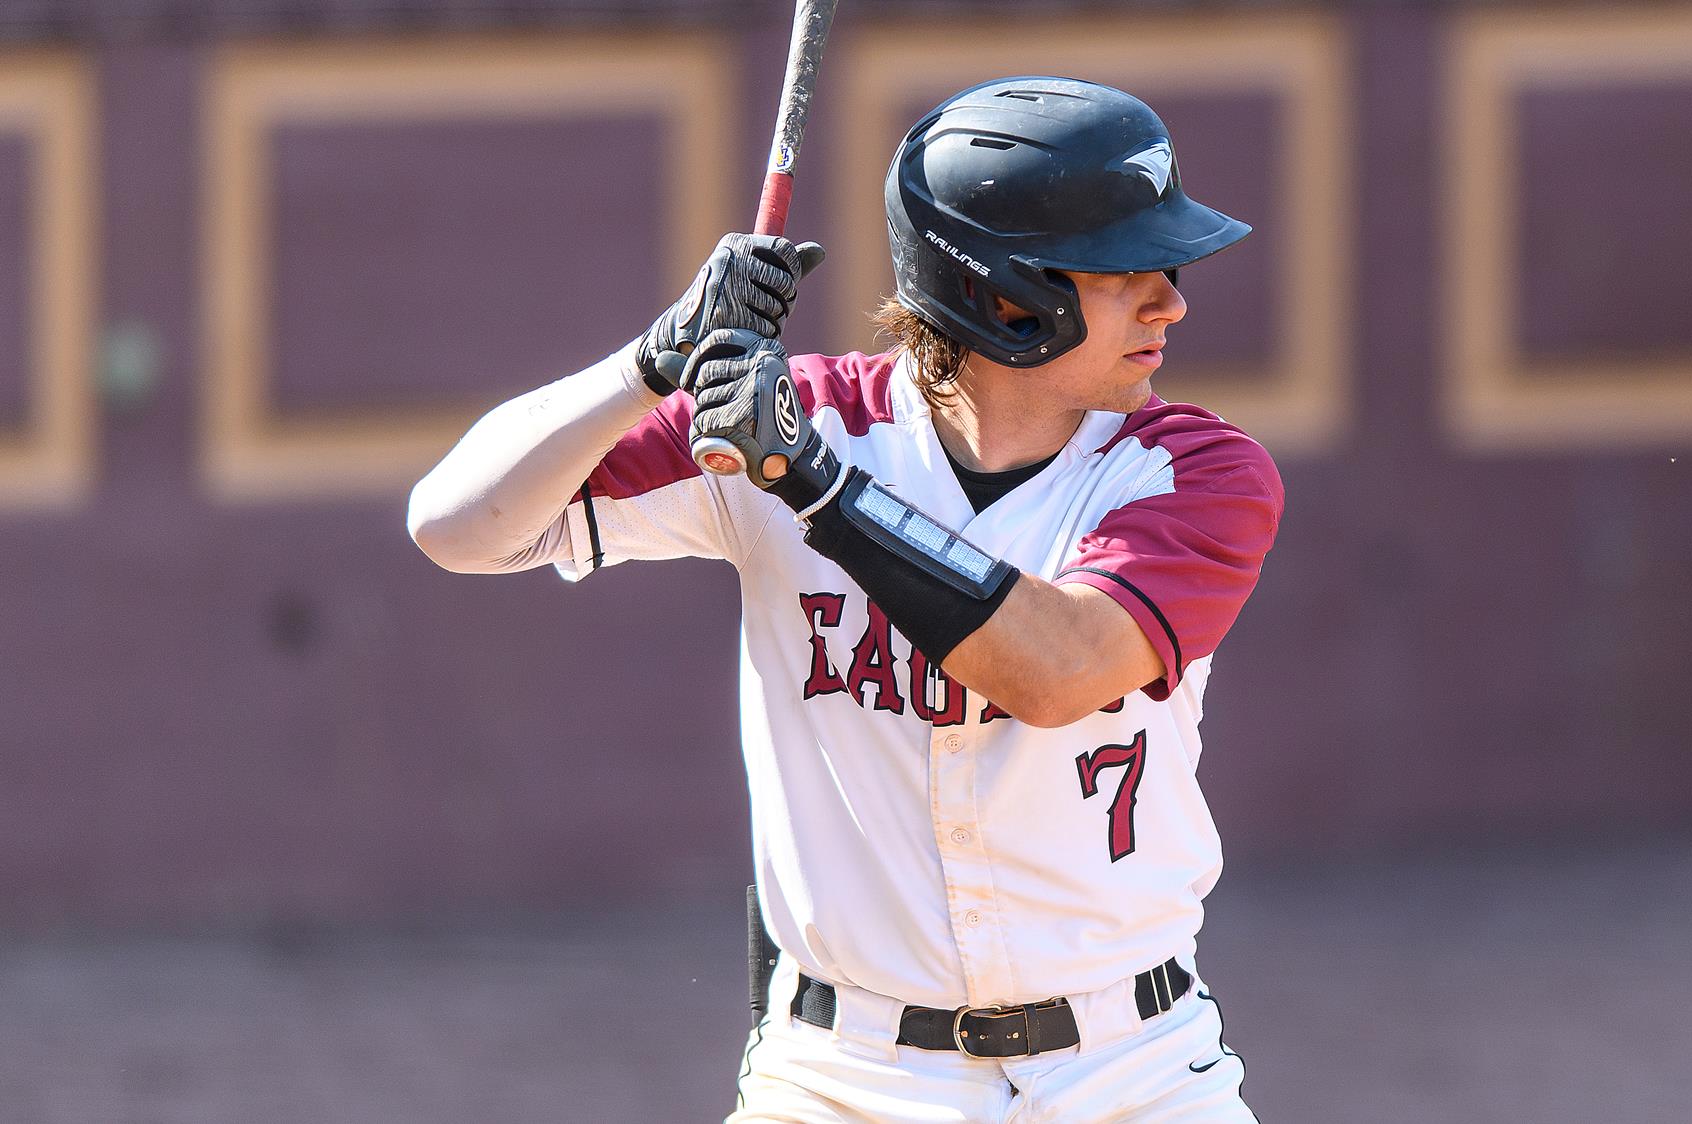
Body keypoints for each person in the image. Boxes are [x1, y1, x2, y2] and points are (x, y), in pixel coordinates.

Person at [408, 76, 1282, 1122]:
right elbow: (453, 524)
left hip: (1129, 1071)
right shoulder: (798, 422)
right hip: (841, 1076)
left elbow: (1056, 668)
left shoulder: (1193, 470)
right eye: (1125, 268)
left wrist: (815, 487)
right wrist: (650, 364)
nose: (1169, 299)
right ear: (1005, 294)